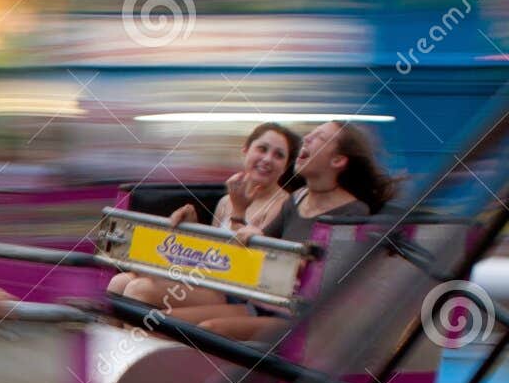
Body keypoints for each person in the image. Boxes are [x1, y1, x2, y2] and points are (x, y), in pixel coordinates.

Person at [190, 120, 396, 342]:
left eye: (319, 137)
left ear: (337, 160)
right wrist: (238, 220)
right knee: (173, 322)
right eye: (310, 134)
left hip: (302, 320)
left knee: (210, 330)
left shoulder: (353, 212)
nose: (306, 138)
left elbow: (326, 277)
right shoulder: (297, 199)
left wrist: (277, 254)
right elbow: (255, 250)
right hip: (264, 304)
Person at [112, 122, 300, 314]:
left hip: (238, 294)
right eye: (262, 149)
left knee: (139, 290)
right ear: (246, 150)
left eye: (278, 155)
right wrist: (191, 227)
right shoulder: (226, 200)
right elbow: (214, 251)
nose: (267, 159)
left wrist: (239, 212)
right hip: (208, 280)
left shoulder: (282, 205)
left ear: (285, 167)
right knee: (119, 282)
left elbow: (243, 268)